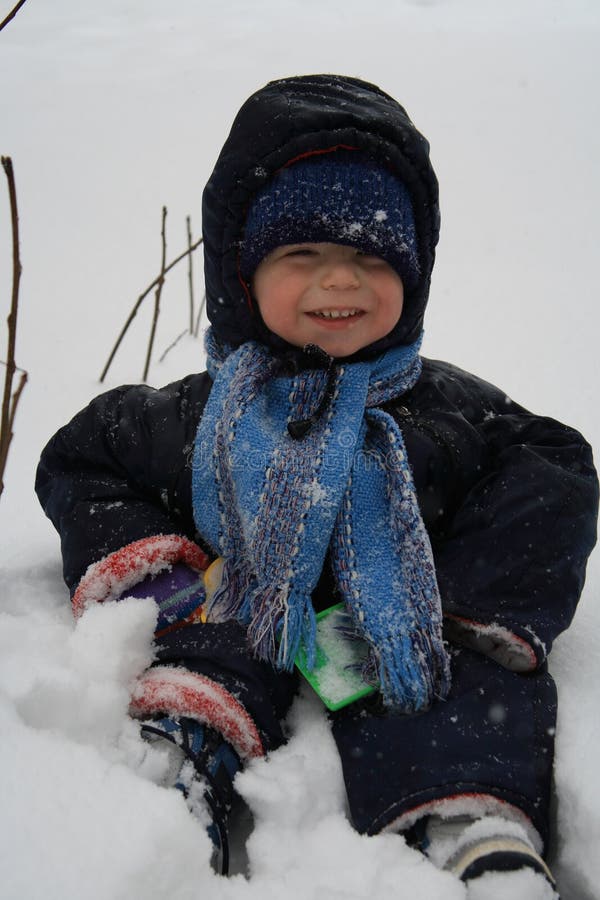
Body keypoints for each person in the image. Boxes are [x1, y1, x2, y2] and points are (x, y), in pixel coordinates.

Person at [36, 74, 598, 895]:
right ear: (242, 275)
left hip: (400, 623)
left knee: (459, 693)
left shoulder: (446, 410)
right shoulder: (202, 420)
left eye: (371, 257)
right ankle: (183, 763)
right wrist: (158, 566)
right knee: (208, 642)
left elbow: (553, 469)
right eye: (304, 256)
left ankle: (472, 821)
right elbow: (82, 461)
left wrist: (468, 606)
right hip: (245, 605)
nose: (341, 283)